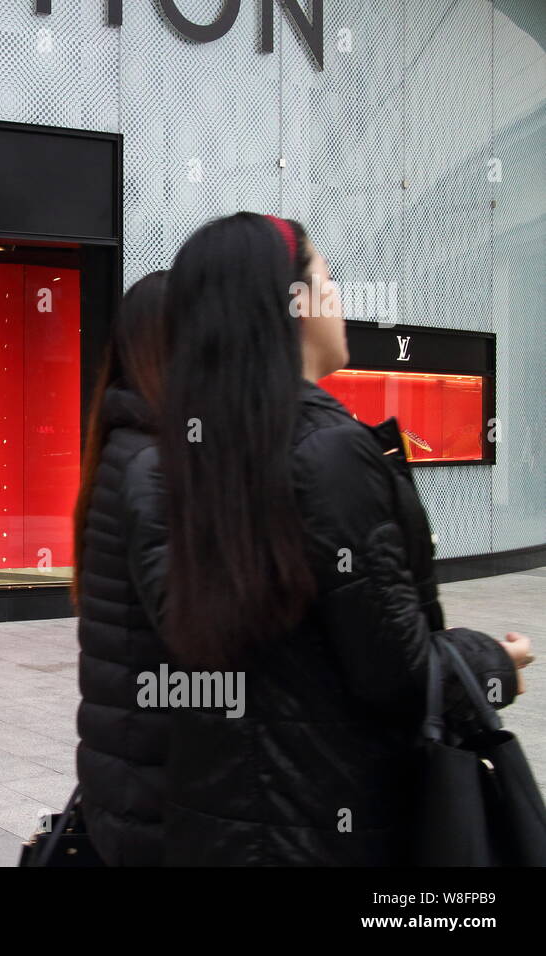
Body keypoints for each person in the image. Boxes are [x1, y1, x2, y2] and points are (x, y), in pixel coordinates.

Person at [145, 211, 534, 865]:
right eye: (327, 279)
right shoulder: (327, 454)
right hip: (330, 824)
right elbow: (397, 678)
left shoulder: (199, 451)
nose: (338, 299)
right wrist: (496, 664)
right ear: (290, 305)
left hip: (227, 821)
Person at [72, 270, 171, 866]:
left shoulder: (123, 447)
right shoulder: (153, 465)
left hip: (131, 771)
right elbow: (197, 624)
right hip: (152, 787)